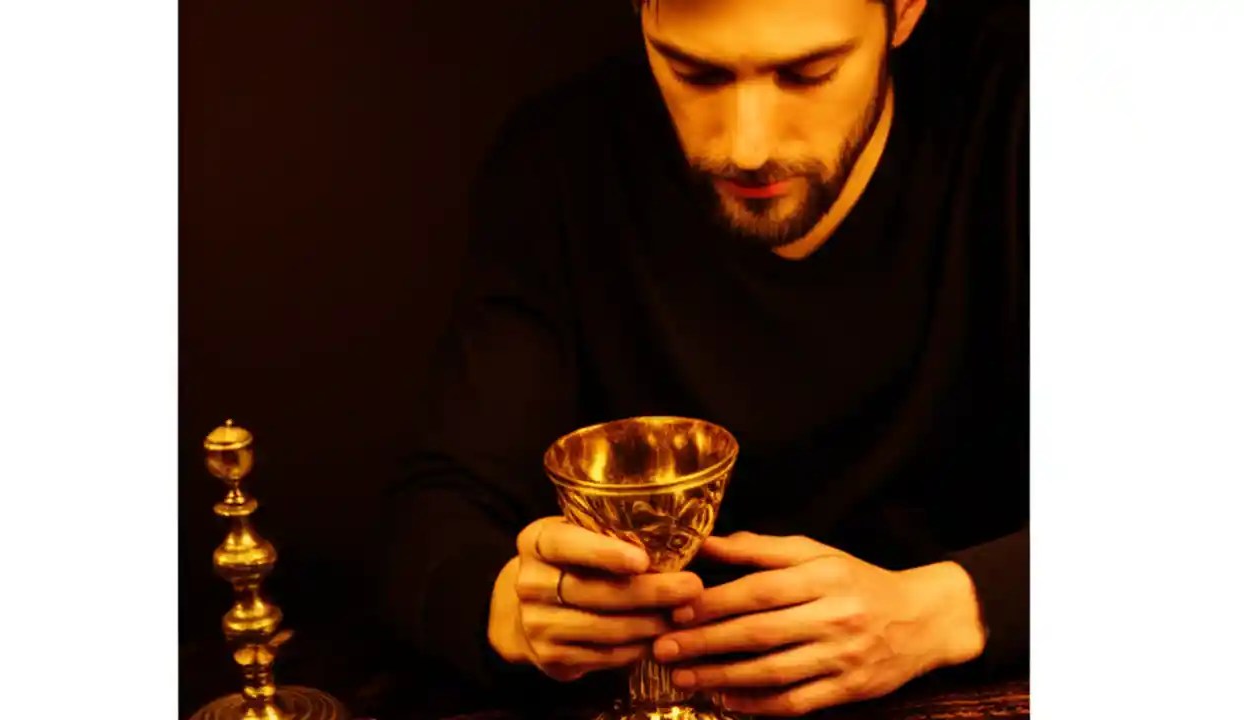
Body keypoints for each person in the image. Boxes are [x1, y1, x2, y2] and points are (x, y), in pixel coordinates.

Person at [380, 0, 1027, 715]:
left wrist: (937, 613)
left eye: (809, 73)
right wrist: (512, 607)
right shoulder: (563, 159)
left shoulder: (1037, 120)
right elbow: (435, 516)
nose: (747, 147)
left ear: (903, 12)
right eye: (695, 74)